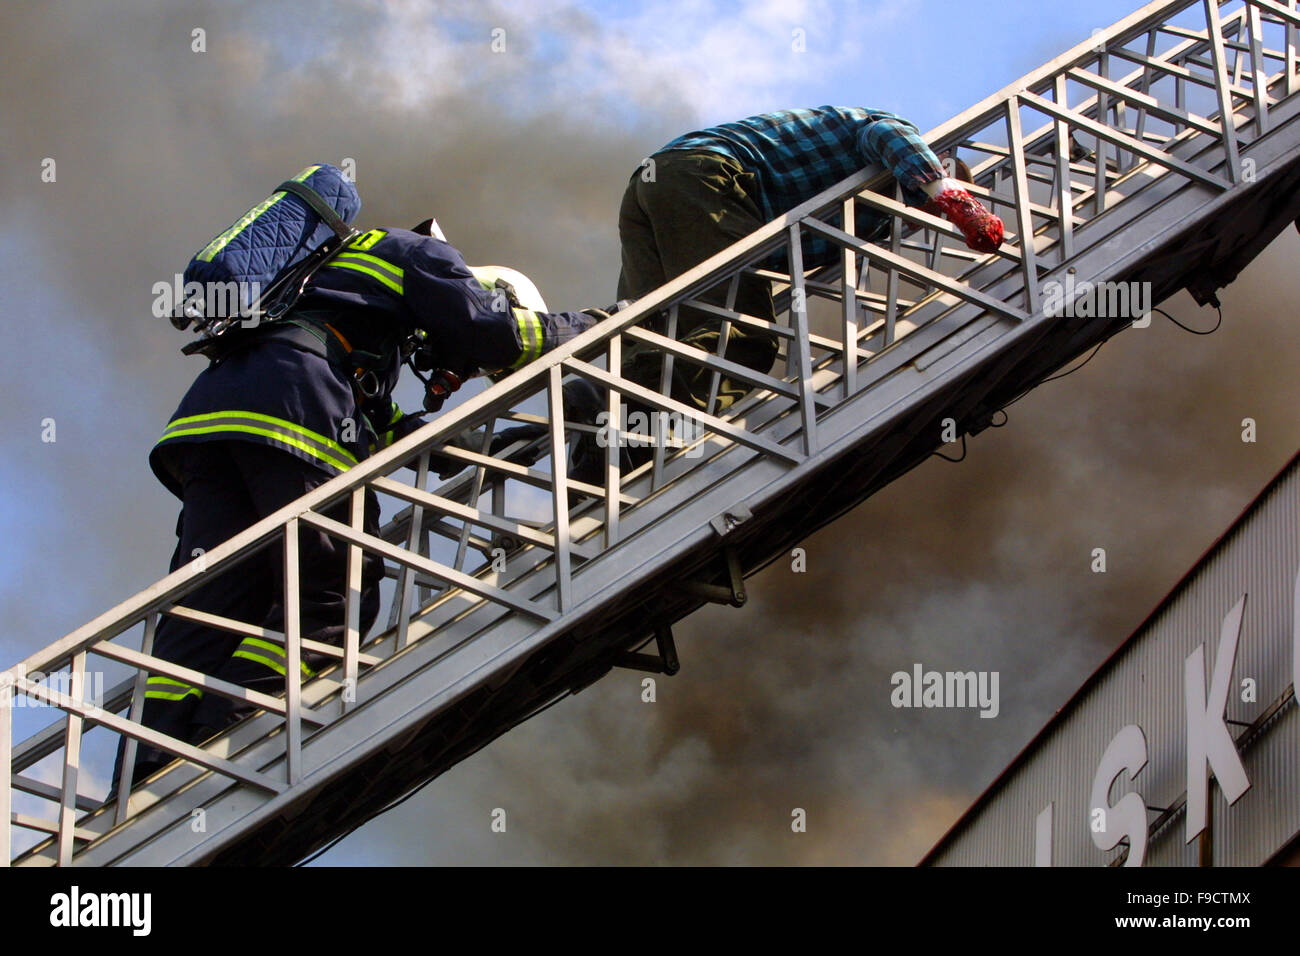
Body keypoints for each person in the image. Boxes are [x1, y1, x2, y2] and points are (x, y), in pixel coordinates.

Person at [113, 221, 602, 790]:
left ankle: (145, 768)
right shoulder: (425, 255)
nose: (454, 372)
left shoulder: (335, 284)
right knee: (331, 598)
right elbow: (489, 331)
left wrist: (470, 445)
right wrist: (588, 326)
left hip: (212, 427)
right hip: (294, 413)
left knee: (211, 609)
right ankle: (238, 736)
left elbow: (366, 412)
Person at [616, 106, 1005, 414]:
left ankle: (605, 411)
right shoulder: (890, 138)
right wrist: (955, 199)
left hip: (655, 183)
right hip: (708, 176)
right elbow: (886, 134)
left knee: (650, 328)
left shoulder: (866, 219)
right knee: (742, 341)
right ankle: (661, 414)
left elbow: (772, 255)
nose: (925, 211)